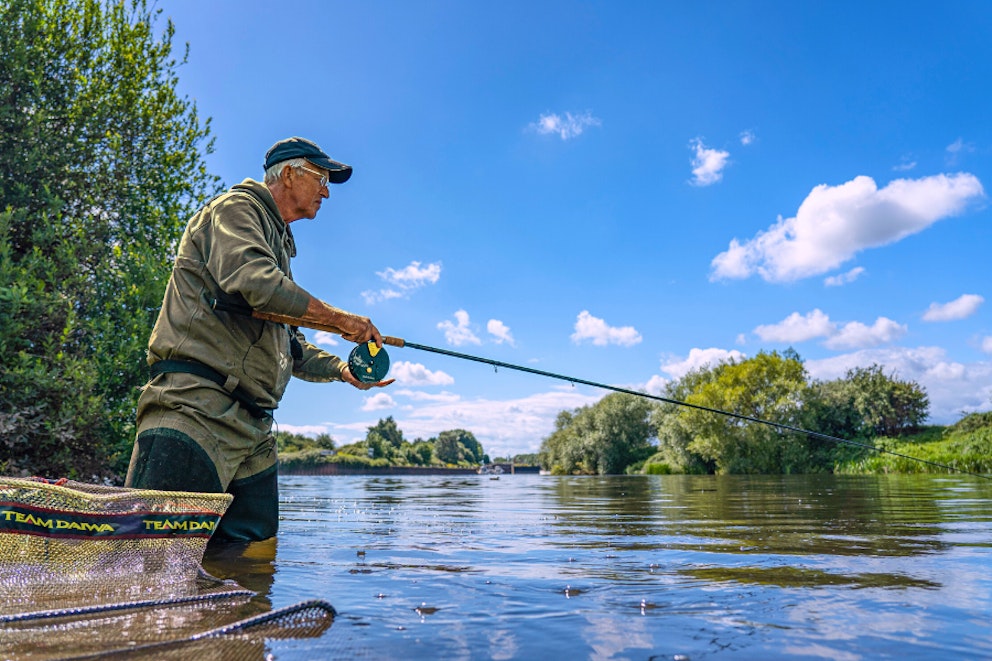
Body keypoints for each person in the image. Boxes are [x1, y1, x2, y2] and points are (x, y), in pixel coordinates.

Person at [125, 137, 393, 542]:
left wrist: (342, 369)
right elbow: (257, 283)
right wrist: (340, 320)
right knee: (151, 557)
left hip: (254, 431)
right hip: (197, 410)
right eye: (321, 179)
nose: (326, 191)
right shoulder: (236, 210)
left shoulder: (277, 242)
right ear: (289, 174)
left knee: (255, 559)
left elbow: (291, 346)